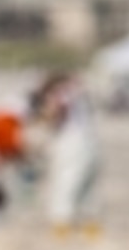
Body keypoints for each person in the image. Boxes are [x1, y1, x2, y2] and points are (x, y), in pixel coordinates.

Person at [39, 73, 101, 235]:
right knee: (88, 189)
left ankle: (61, 230)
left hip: (71, 142)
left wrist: (44, 117)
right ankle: (92, 230)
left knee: (65, 185)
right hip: (91, 142)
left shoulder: (62, 92)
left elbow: (56, 113)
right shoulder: (79, 92)